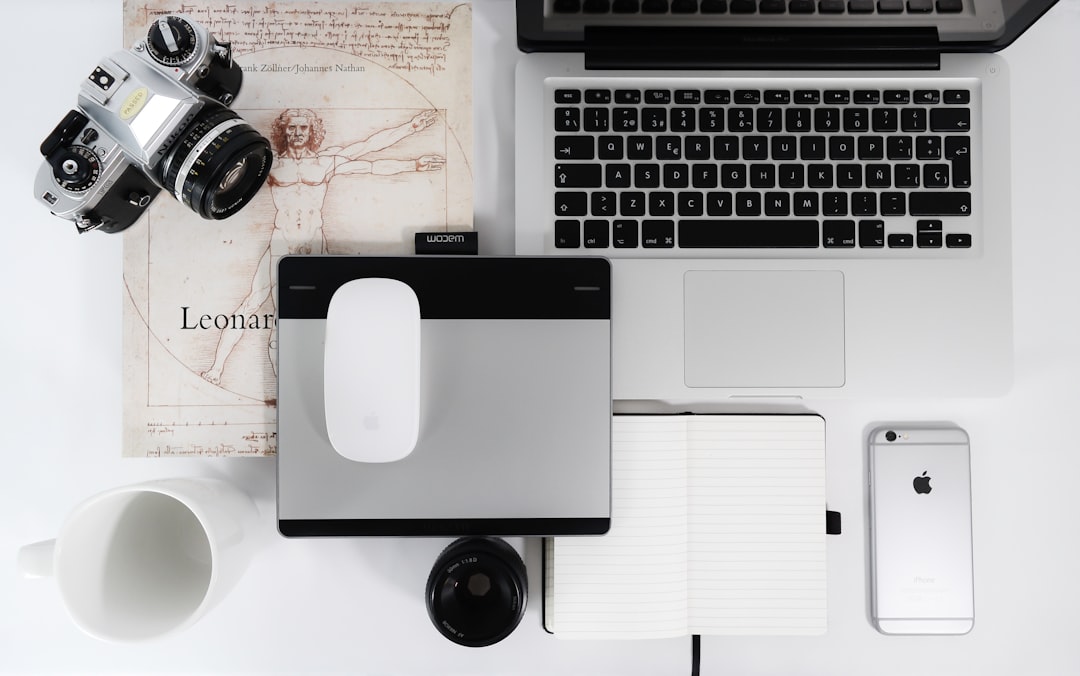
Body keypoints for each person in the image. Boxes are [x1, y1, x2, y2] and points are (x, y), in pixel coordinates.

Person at [200, 108, 444, 387]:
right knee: (254, 303)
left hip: (315, 240)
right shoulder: (271, 165)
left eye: (303, 128)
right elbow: (236, 178)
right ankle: (218, 369)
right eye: (291, 128)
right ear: (283, 131)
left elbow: (370, 156)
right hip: (282, 241)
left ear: (312, 131)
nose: (297, 133)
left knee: (328, 310)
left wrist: (413, 144)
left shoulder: (327, 162)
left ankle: (340, 375)